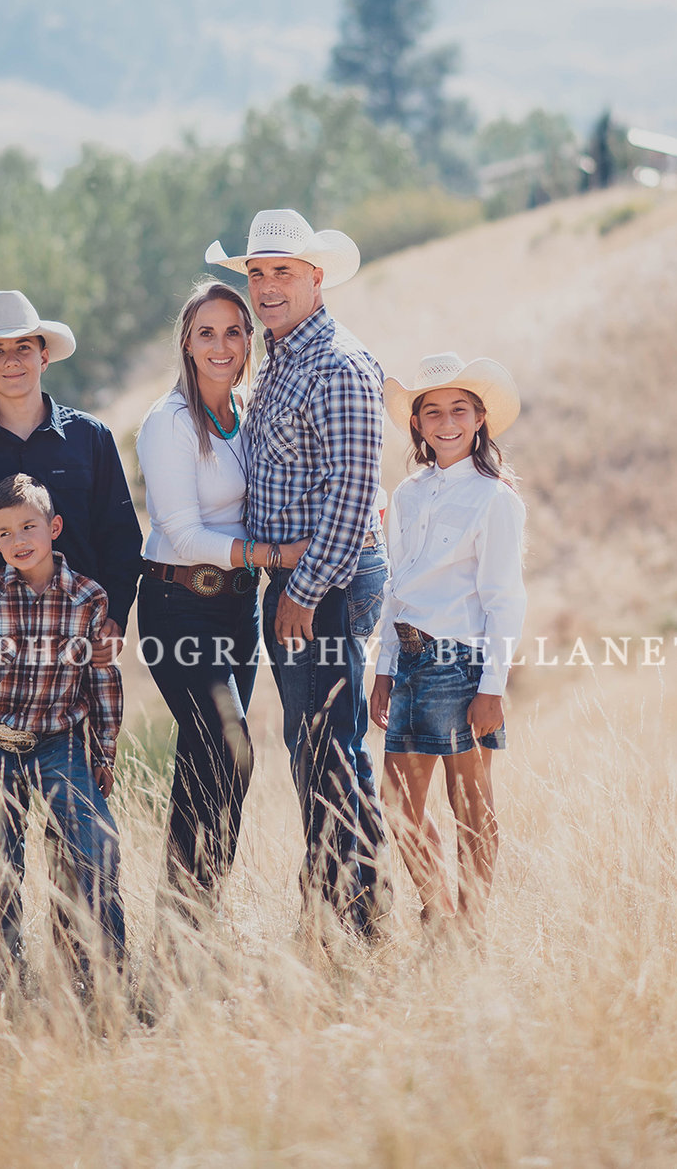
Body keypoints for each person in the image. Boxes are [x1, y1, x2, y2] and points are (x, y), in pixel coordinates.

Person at [205, 209, 390, 937]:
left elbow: (352, 494)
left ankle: (357, 921)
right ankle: (336, 916)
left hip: (325, 580)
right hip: (297, 579)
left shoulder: (338, 363)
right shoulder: (283, 354)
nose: (266, 286)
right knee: (315, 746)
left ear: (316, 277)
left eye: (282, 272)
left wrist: (304, 593)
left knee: (328, 747)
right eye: (256, 273)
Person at [135, 280, 308, 921]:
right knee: (231, 749)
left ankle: (189, 929)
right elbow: (180, 531)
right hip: (178, 604)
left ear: (249, 341)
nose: (221, 344)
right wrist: (272, 556)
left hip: (239, 611)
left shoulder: (246, 414)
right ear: (187, 341)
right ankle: (188, 922)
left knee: (207, 765)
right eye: (206, 332)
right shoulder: (169, 421)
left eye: (234, 331)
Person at [0, 473, 126, 987]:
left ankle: (102, 977)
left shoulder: (88, 597)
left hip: (60, 743)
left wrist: (106, 750)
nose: (18, 540)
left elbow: (102, 679)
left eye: (29, 526)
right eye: (5, 533)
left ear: (55, 527)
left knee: (96, 845)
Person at [368, 352, 526, 932]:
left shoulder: (494, 499)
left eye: (459, 410)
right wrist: (384, 668)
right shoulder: (407, 494)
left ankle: (473, 927)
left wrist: (493, 687)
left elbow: (505, 599)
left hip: (460, 660)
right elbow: (394, 584)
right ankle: (439, 912)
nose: (446, 422)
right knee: (395, 804)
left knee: (470, 804)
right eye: (432, 412)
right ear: (418, 424)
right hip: (409, 660)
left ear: (480, 418)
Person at [0, 290, 141, 659]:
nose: (11, 361)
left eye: (23, 347)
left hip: (82, 637)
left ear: (44, 357)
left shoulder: (90, 437)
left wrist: (116, 614)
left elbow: (121, 537)